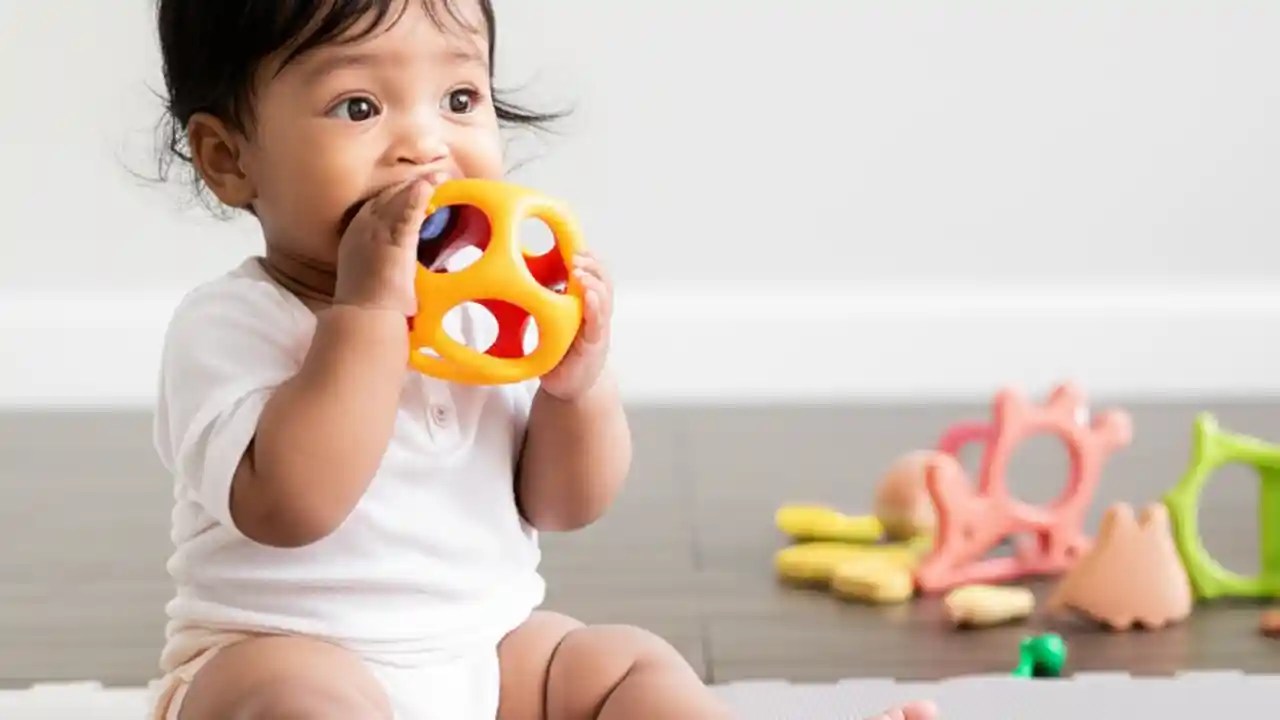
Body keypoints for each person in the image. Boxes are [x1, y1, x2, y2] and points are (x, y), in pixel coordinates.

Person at [146, 1, 940, 718]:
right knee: (292, 702)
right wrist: (366, 314)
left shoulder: (486, 312)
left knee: (623, 664)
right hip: (285, 657)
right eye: (360, 106)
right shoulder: (229, 326)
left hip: (485, 659)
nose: (425, 144)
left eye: (460, 99)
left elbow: (564, 504)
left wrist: (574, 390)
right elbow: (293, 506)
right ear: (229, 159)